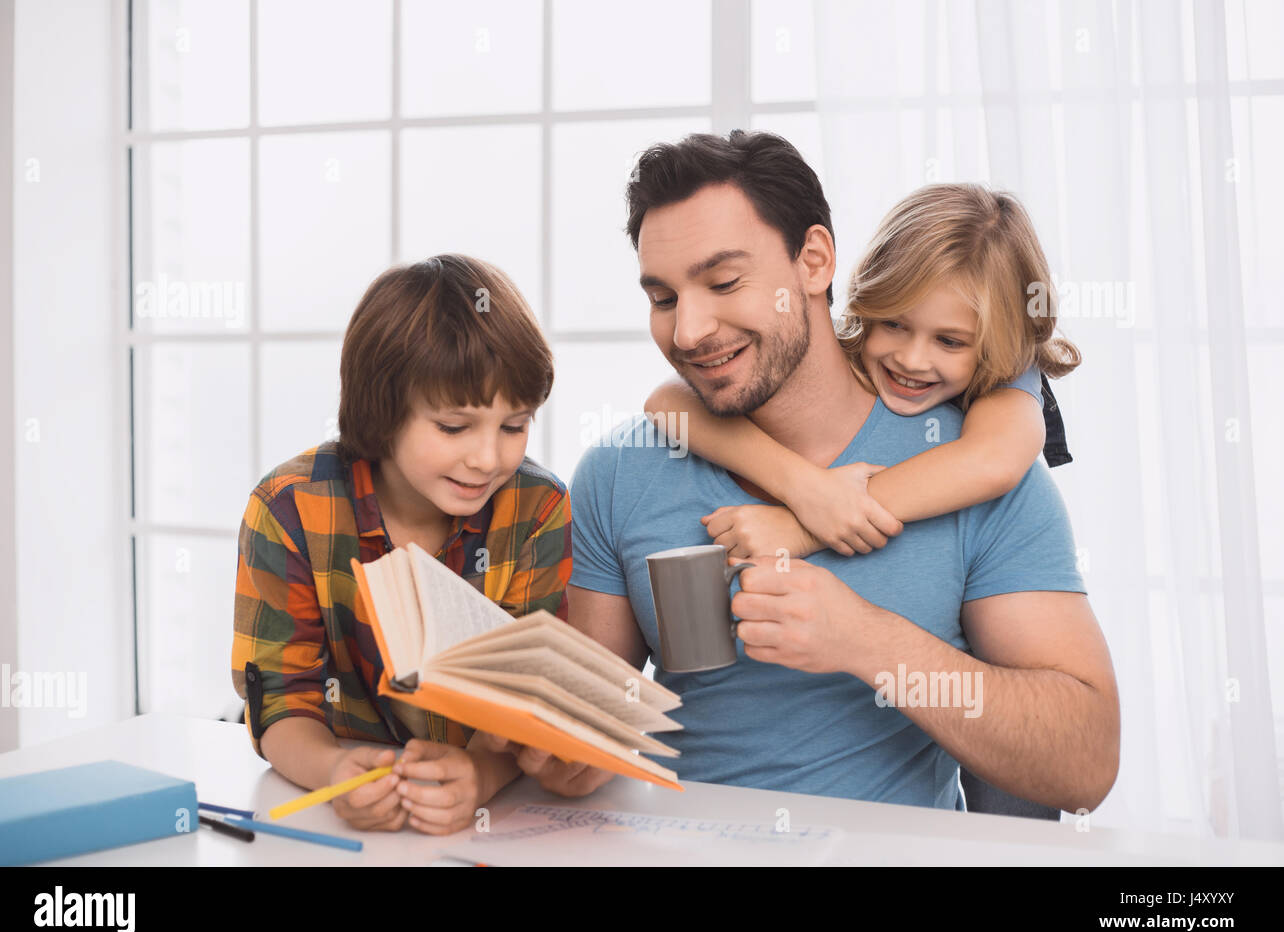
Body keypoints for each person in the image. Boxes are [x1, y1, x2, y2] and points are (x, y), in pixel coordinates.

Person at [488, 130, 1119, 812]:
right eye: (664, 299)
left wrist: (864, 639)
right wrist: (556, 751)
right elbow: (589, 729)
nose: (690, 331)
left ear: (814, 261)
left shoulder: (978, 474)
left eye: (724, 282)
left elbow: (1084, 762)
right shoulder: (620, 473)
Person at [231, 254, 571, 834]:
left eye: (514, 426)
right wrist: (336, 771)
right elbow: (280, 701)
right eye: (454, 427)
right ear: (382, 413)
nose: (489, 458)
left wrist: (481, 775)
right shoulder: (288, 508)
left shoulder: (536, 508)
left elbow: (532, 706)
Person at [642, 182, 1081, 561]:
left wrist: (804, 527)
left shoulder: (1010, 381)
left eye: (949, 341)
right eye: (893, 324)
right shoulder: (841, 345)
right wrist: (804, 488)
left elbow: (991, 462)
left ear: (1000, 342)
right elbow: (664, 401)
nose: (911, 359)